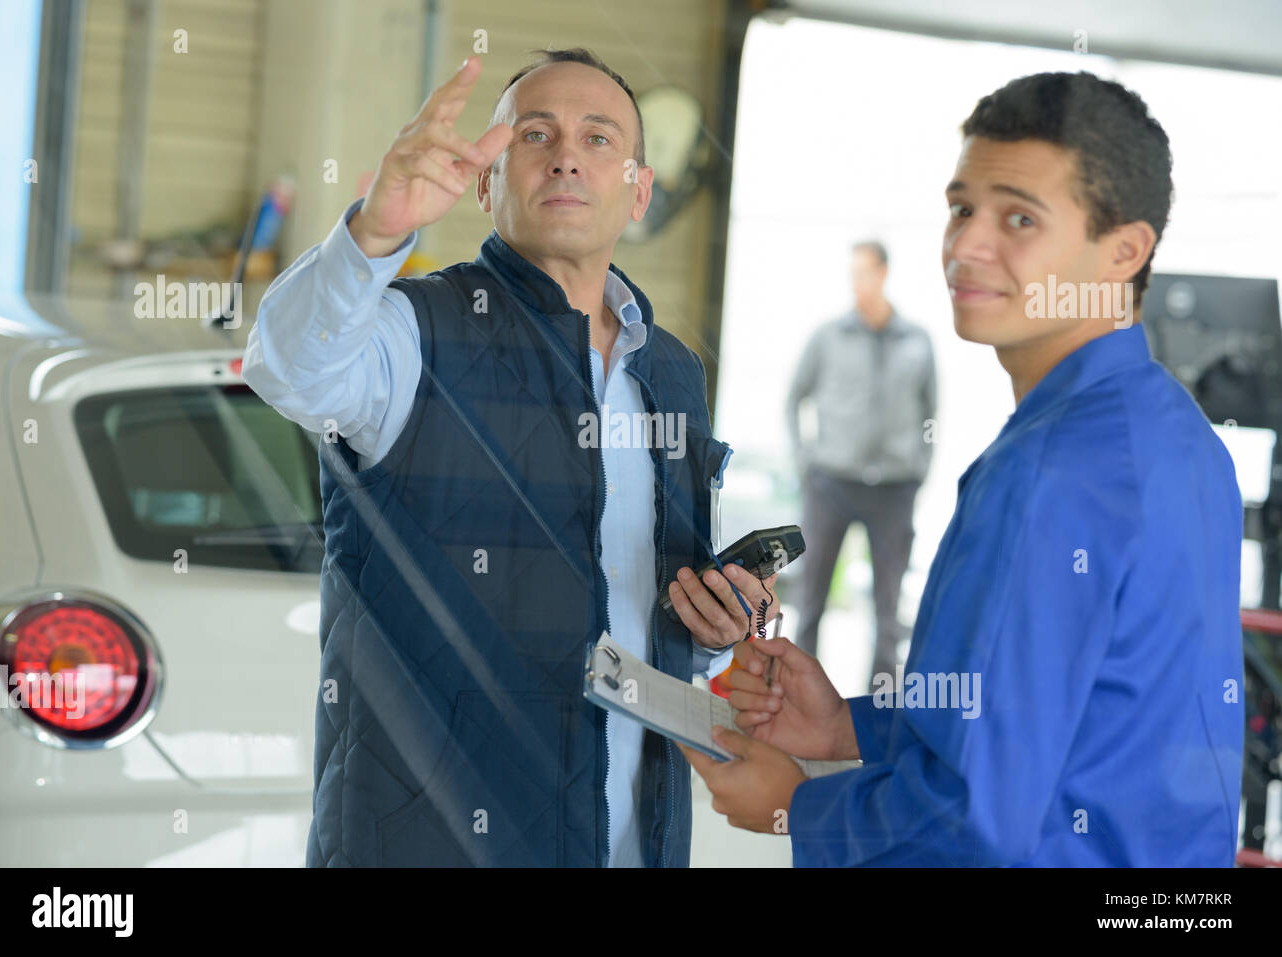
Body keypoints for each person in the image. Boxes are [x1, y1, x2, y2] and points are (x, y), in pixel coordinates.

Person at [682, 71, 1244, 866]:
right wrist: (854, 727)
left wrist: (798, 810)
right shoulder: (1176, 435)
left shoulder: (1051, 473)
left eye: (1019, 216)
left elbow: (972, 823)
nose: (967, 245)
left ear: (1124, 251)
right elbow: (1072, 714)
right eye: (961, 208)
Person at [242, 50, 775, 867]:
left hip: (636, 838)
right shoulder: (415, 333)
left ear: (640, 190)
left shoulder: (670, 371)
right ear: (487, 185)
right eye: (536, 133)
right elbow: (288, 368)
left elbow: (647, 608)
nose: (566, 153)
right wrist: (377, 229)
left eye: (599, 138)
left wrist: (714, 624)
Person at [787, 240, 935, 683]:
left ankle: (878, 709)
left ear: (884, 274)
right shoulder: (828, 337)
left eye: (866, 273)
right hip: (830, 484)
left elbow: (931, 413)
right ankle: (799, 689)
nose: (858, 284)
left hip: (893, 488)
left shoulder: (917, 340)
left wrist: (919, 468)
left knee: (887, 609)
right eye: (853, 275)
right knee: (811, 599)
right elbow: (794, 399)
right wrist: (805, 465)